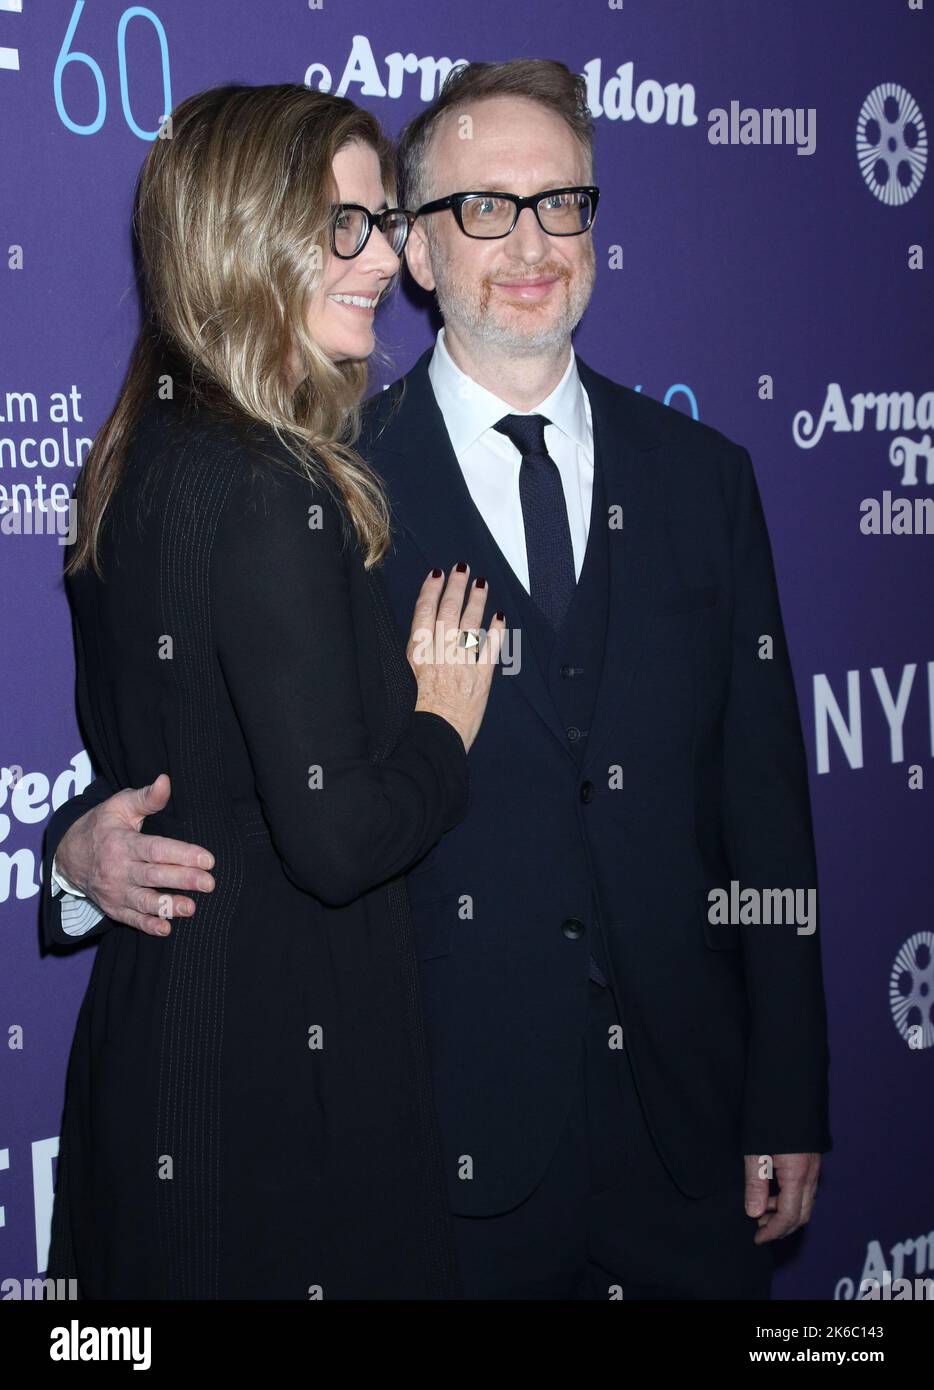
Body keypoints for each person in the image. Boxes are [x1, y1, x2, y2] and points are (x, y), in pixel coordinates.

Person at [44, 60, 831, 1300]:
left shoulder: (705, 477)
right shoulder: (326, 473)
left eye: (561, 202)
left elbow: (765, 806)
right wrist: (75, 849)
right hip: (429, 1145)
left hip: (687, 1141)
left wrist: (788, 1085)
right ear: (416, 250)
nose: (530, 241)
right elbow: (199, 764)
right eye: (483, 207)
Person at [42, 81, 505, 1300]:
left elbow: (167, 767)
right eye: (342, 227)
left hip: (162, 1051)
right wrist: (442, 725)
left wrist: (75, 847)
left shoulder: (134, 464)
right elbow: (337, 838)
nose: (384, 260)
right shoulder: (266, 486)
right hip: (272, 1092)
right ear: (245, 237)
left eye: (382, 223)